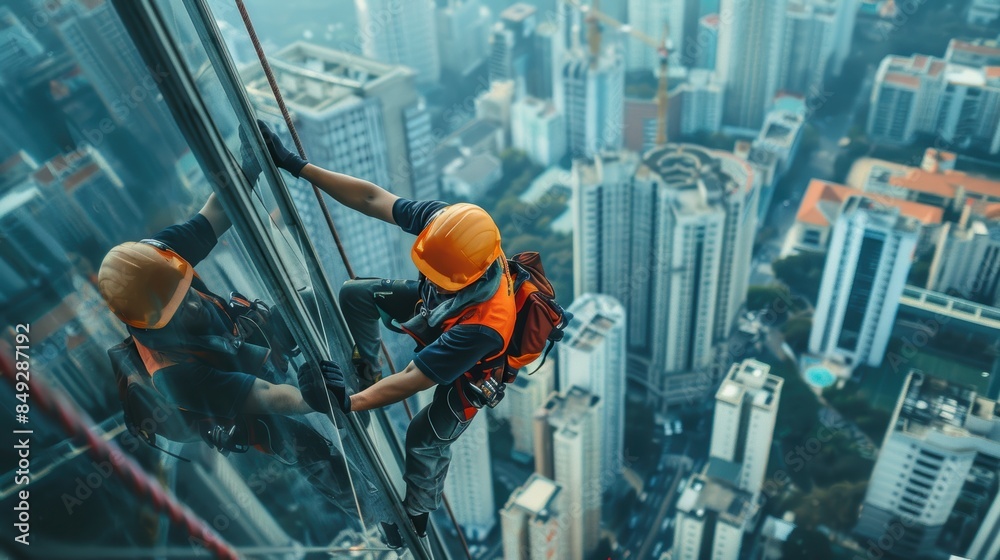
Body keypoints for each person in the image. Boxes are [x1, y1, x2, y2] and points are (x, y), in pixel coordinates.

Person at [259, 121, 517, 544]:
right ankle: (365, 367)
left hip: (477, 368)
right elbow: (373, 197)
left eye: (438, 275)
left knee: (424, 438)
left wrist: (347, 404)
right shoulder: (450, 230)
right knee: (356, 295)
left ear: (467, 279)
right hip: (446, 311)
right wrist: (297, 166)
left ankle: (415, 515)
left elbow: (414, 380)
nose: (425, 274)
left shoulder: (487, 327)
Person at [97, 154, 359, 516]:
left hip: (236, 338)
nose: (191, 302)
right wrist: (314, 399)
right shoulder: (171, 374)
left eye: (185, 287)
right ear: (151, 321)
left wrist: (247, 163)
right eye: (177, 308)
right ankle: (373, 509)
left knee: (320, 306)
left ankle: (360, 389)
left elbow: (217, 213)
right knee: (306, 449)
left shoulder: (159, 262)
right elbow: (266, 395)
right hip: (237, 404)